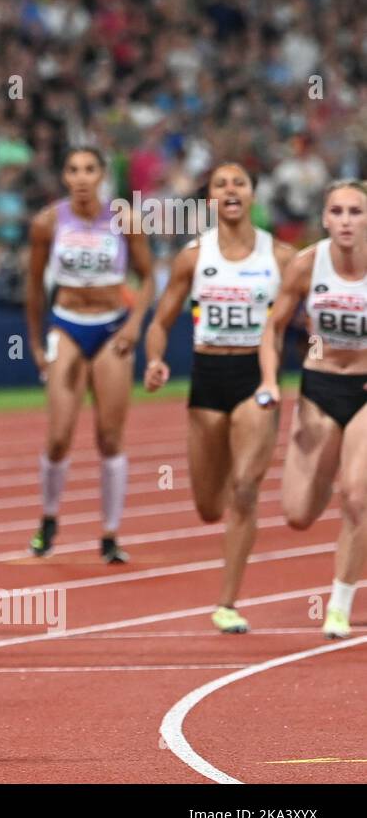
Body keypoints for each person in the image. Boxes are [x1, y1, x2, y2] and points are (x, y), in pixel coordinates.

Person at [144, 163, 294, 633]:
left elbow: (316, 313)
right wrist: (154, 360)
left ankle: (227, 602)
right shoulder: (194, 257)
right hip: (208, 378)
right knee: (209, 506)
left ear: (253, 194)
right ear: (210, 198)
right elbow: (161, 321)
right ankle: (230, 478)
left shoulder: (283, 257)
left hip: (257, 374)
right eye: (221, 185)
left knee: (246, 491)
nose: (231, 190)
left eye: (240, 183)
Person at [24, 147, 155, 563]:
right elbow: (31, 287)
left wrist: (135, 325)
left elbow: (149, 276)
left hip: (112, 325)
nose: (81, 178)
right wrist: (34, 341)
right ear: (64, 177)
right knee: (59, 436)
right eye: (73, 170)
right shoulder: (47, 222)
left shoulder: (123, 219)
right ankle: (48, 518)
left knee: (110, 436)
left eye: (89, 170)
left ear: (102, 175)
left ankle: (110, 534)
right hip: (66, 324)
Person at [257, 179, 367, 639]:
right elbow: (272, 326)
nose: (346, 221)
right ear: (324, 218)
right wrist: (268, 380)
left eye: (356, 212)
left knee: (358, 497)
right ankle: (328, 472)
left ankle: (339, 603)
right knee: (298, 514)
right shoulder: (307, 264)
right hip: (318, 386)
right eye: (337, 212)